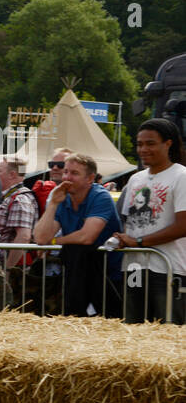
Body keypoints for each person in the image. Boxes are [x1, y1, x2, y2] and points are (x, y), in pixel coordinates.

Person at [112, 118, 186, 324]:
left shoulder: (182, 176)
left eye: (150, 143)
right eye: (140, 144)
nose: (143, 149)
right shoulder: (136, 179)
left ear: (168, 144)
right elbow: (131, 222)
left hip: (168, 268)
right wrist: (123, 239)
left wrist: (139, 242)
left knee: (169, 334)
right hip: (134, 266)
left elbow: (183, 226)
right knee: (133, 330)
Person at [33, 152, 122, 317]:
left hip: (109, 275)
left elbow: (86, 237)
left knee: (109, 321)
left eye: (74, 173)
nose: (67, 177)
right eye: (66, 171)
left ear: (90, 179)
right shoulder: (61, 197)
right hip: (78, 275)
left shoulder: (101, 196)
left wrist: (54, 241)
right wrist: (52, 204)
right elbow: (39, 238)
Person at [0, 155, 39, 310]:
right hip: (3, 267)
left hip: (14, 271)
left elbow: (24, 236)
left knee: (10, 308)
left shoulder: (20, 199)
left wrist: (8, 269)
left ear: (12, 175)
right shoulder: (7, 197)